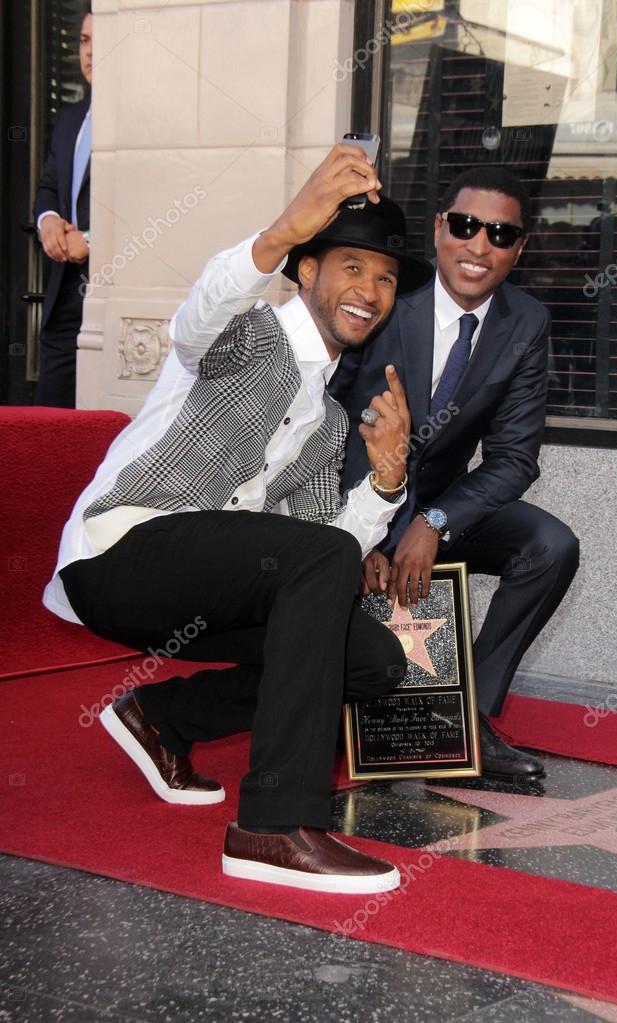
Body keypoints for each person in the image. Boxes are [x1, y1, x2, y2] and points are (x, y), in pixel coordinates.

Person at [43, 145, 434, 894]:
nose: (372, 289)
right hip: (121, 553)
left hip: (205, 586)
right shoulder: (247, 333)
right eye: (352, 266)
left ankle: (163, 715)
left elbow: (327, 557)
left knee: (372, 658)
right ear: (308, 270)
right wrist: (282, 230)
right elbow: (194, 322)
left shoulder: (326, 422)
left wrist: (385, 483)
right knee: (314, 562)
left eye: (385, 278)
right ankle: (274, 823)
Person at [330, 166, 579, 782]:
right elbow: (325, 422)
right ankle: (341, 700)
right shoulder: (386, 297)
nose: (479, 246)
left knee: (549, 547)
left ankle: (465, 717)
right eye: (466, 226)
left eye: (500, 234)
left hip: (441, 503)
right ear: (440, 228)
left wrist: (433, 521)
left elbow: (515, 457)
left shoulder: (525, 322)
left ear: (518, 248)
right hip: (348, 496)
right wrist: (363, 530)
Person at [34, 8, 92, 407]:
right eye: (84, 41)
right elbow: (49, 186)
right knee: (50, 420)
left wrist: (93, 239)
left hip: (114, 279)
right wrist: (48, 219)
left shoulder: (141, 123)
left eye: (101, 42)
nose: (89, 52)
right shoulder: (70, 116)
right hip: (65, 287)